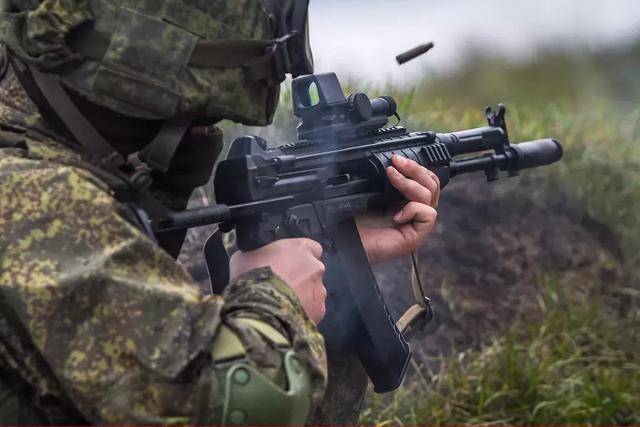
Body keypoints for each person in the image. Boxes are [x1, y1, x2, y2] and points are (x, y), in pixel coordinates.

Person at [0, 0, 440, 424]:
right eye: (196, 115)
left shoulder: (53, 174)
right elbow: (232, 406)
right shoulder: (37, 200)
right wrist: (274, 297)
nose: (205, 134)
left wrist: (341, 253)